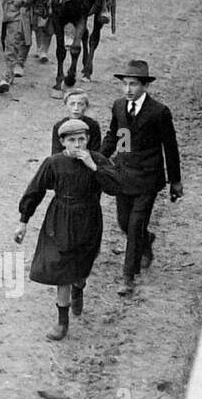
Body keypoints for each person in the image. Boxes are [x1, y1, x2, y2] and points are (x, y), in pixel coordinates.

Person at [15, 118, 123, 340]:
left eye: (81, 140)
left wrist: (93, 166)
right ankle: (62, 322)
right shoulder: (53, 163)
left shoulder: (98, 160)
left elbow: (115, 187)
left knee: (82, 266)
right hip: (60, 217)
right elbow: (35, 191)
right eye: (71, 140)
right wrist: (23, 222)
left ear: (88, 140)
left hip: (88, 218)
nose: (77, 145)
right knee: (62, 269)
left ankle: (79, 286)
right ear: (62, 142)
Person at [100, 60, 182, 297]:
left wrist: (175, 181)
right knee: (124, 223)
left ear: (144, 86)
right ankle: (147, 241)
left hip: (148, 178)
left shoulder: (159, 112)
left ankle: (128, 276)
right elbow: (114, 138)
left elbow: (171, 147)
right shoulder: (118, 107)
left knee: (135, 226)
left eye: (133, 84)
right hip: (123, 175)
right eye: (124, 84)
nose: (128, 89)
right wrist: (98, 159)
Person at [50, 89, 102, 154]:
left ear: (86, 107)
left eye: (80, 104)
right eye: (72, 104)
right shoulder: (59, 126)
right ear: (66, 106)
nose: (76, 108)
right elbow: (56, 153)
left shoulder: (93, 125)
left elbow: (95, 151)